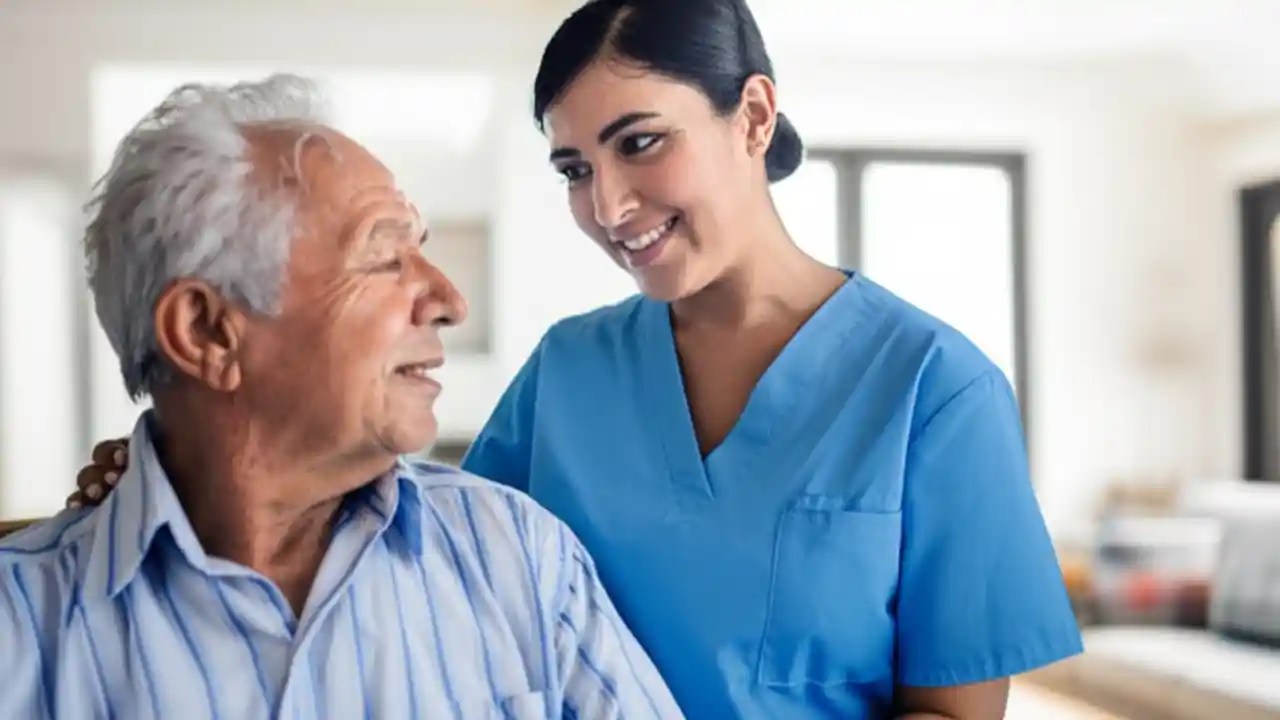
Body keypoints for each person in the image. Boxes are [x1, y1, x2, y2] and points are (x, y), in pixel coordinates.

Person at [70, 1, 1084, 718]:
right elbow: (411, 545)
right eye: (573, 168)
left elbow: (954, 712)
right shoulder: (569, 370)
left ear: (753, 116)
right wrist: (178, 481)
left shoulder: (933, 390)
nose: (607, 205)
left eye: (639, 143)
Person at [6, 74, 683, 720]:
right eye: (385, 258)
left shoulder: (521, 560)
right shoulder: (21, 626)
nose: (449, 301)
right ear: (207, 331)